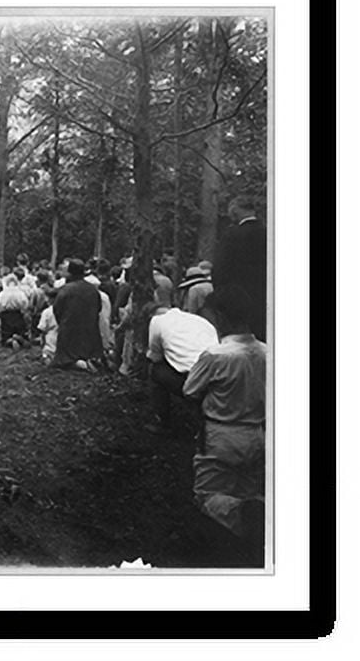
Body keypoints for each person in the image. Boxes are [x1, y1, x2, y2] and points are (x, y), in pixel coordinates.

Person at [183, 286, 266, 545]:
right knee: (249, 488)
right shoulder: (268, 352)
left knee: (209, 495)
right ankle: (252, 534)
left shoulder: (215, 356)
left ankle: (234, 527)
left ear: (220, 316)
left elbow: (190, 391)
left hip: (221, 434)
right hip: (257, 433)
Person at [145, 287, 219, 434]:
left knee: (154, 370)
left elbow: (155, 356)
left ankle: (162, 421)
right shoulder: (196, 319)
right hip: (217, 373)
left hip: (191, 379)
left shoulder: (156, 321)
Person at [212, 196, 267, 341]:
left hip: (238, 302)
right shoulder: (269, 233)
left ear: (235, 210)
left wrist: (220, 295)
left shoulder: (232, 235)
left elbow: (220, 268)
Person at [51, 260, 103, 369]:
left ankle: (78, 364)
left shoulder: (66, 290)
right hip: (90, 332)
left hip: (69, 331)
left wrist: (63, 322)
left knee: (64, 360)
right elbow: (99, 308)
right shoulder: (93, 289)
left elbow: (57, 309)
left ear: (70, 273)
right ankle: (90, 361)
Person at [0, 274, 30, 350]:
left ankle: (10, 340)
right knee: (20, 331)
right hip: (18, 315)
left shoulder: (3, 294)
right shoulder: (20, 293)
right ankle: (18, 338)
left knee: (6, 335)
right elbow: (25, 304)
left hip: (6, 316)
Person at [37, 290, 59, 365]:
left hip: (50, 338)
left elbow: (42, 329)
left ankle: (47, 358)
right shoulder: (67, 310)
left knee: (47, 353)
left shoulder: (47, 312)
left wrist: (42, 343)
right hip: (64, 338)